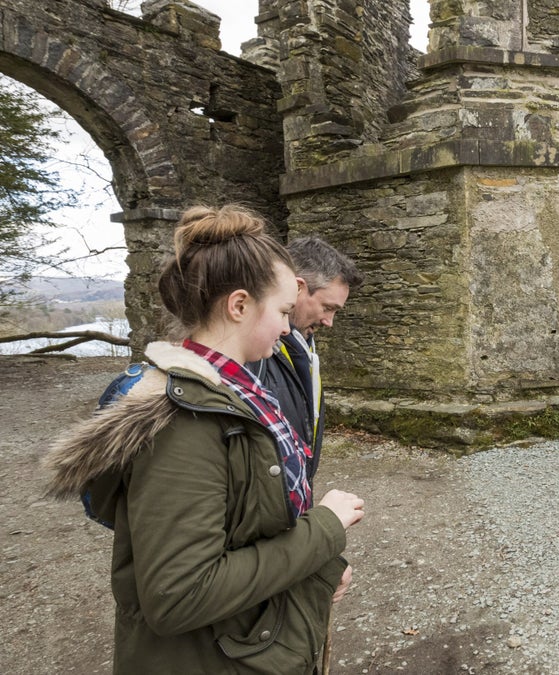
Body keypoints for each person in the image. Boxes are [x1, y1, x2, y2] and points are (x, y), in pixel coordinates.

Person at [43, 205, 364, 673]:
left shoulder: (241, 395)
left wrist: (315, 569)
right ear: (238, 306)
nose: (285, 326)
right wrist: (326, 528)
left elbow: (247, 528)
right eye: (280, 311)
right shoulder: (182, 422)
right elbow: (180, 595)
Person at [247, 236, 362, 481]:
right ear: (298, 288)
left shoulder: (301, 344)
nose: (329, 322)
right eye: (327, 307)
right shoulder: (253, 352)